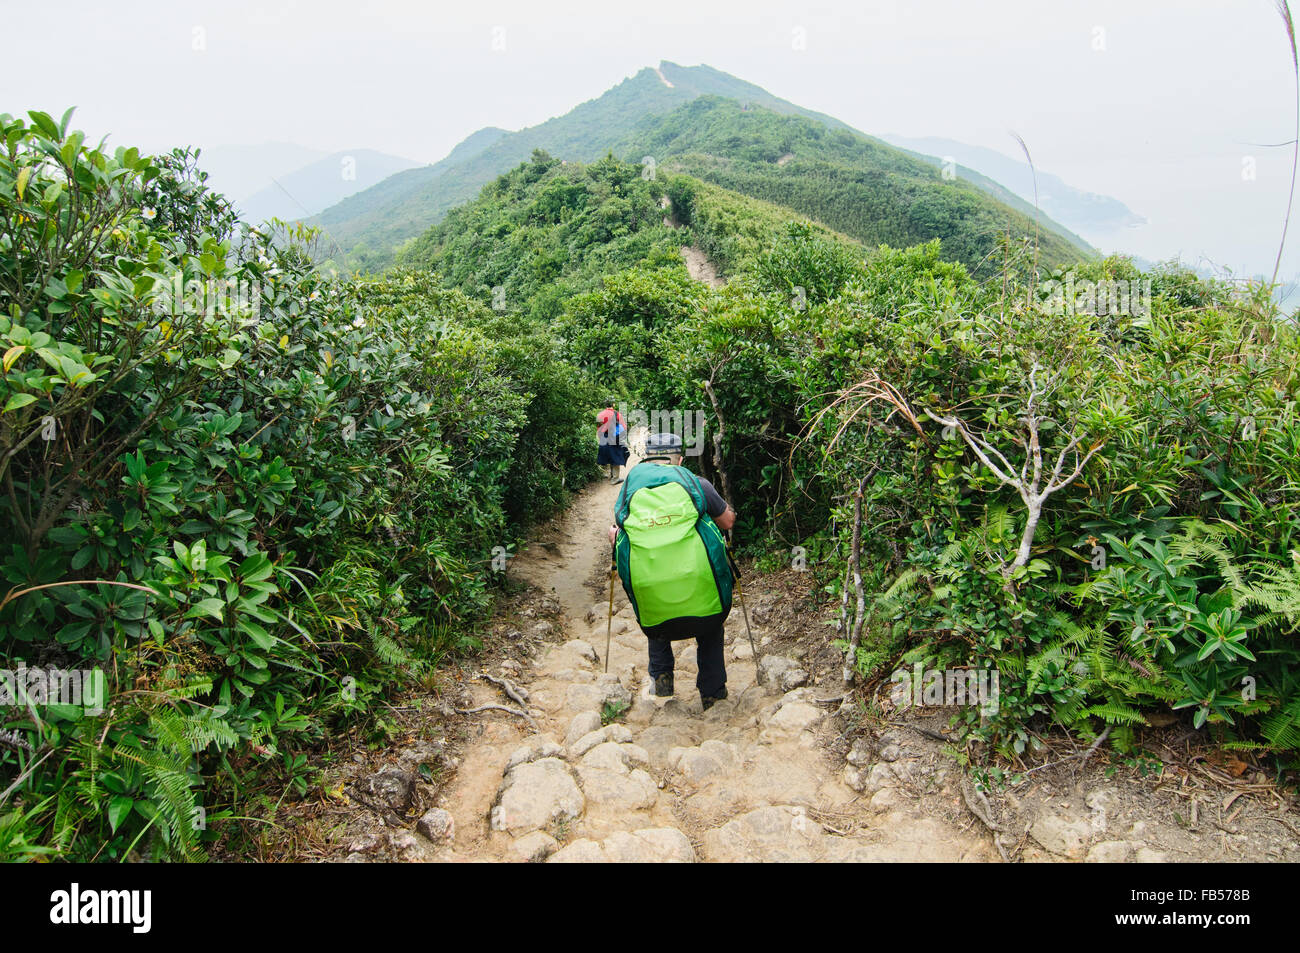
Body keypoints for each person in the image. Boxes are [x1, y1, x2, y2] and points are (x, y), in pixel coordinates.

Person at [608, 432, 737, 711]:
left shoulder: (632, 488)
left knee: (656, 600)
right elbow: (727, 521)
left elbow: (618, 534)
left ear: (648, 458)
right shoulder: (696, 484)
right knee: (710, 620)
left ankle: (662, 683)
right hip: (700, 592)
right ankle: (712, 693)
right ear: (678, 458)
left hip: (654, 598)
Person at [596, 405, 629, 484]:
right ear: (613, 405)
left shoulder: (600, 414)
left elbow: (598, 428)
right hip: (614, 437)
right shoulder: (617, 414)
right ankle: (615, 478)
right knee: (615, 455)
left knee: (607, 455)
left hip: (604, 436)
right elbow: (624, 427)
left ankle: (609, 475)